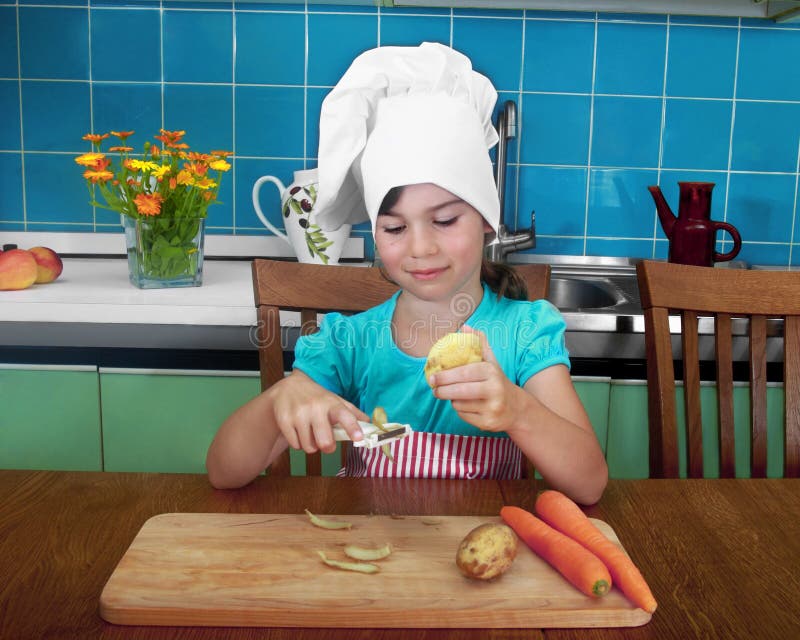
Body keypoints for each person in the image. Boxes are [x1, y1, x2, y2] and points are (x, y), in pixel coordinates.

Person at [206, 44, 607, 505]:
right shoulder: (346, 342)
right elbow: (223, 473)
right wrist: (280, 402)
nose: (420, 247)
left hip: (483, 557)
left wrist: (518, 411)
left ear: (485, 218)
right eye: (395, 227)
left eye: (445, 220)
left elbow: (590, 482)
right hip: (375, 564)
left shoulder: (525, 333)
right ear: (376, 234)